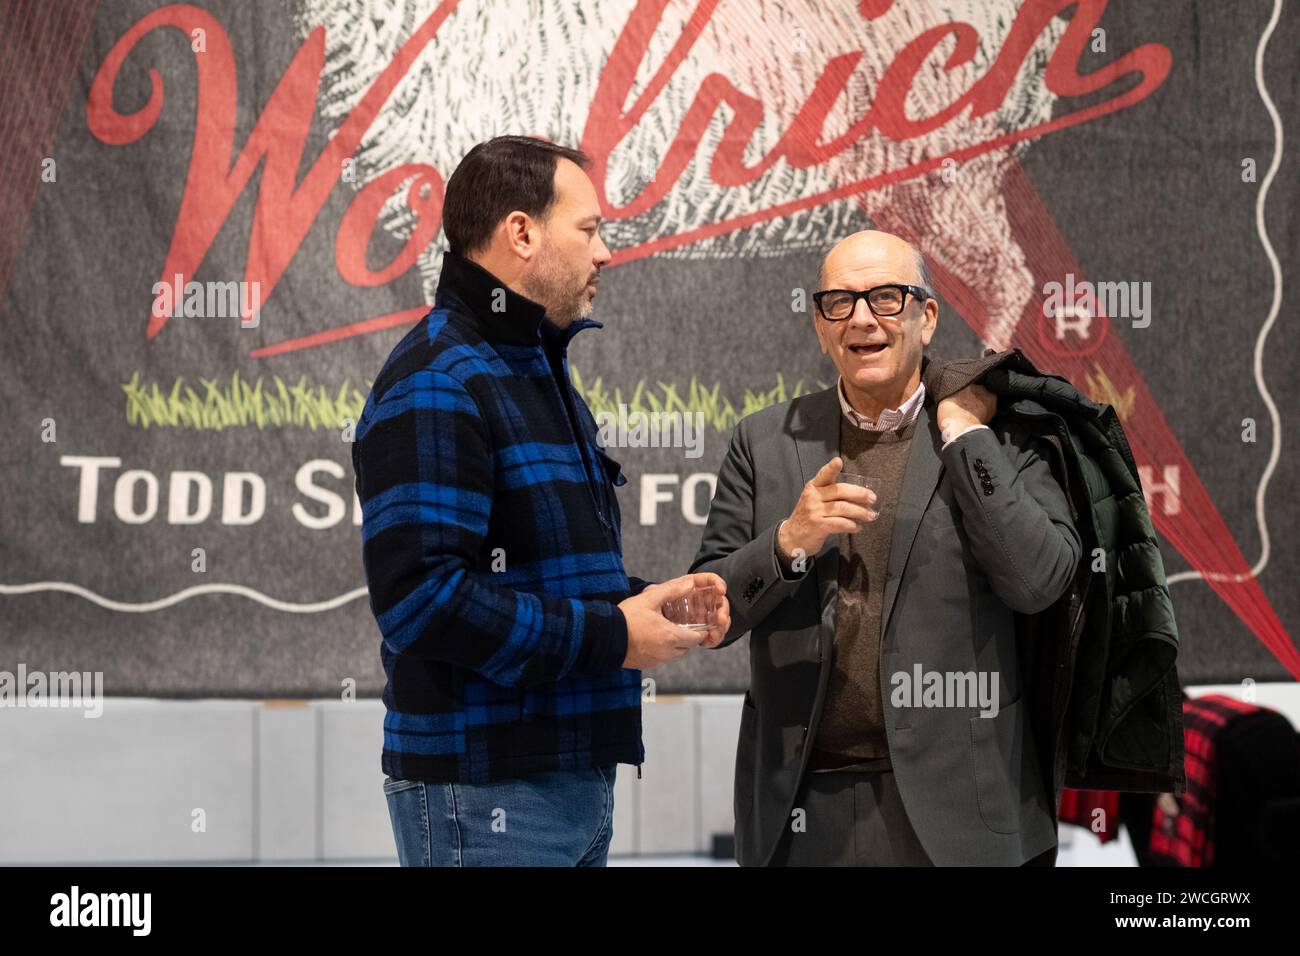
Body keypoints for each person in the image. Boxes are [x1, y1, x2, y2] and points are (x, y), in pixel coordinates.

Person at [353, 135, 728, 866]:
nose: (604, 252)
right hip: (485, 791)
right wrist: (613, 638)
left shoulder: (531, 369)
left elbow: (541, 578)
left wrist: (644, 604)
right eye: (588, 229)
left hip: (562, 781)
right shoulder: (440, 377)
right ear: (521, 233)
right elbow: (421, 601)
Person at [691, 229, 1080, 866]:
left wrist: (963, 436)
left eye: (888, 298)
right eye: (839, 303)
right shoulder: (763, 442)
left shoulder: (1001, 427)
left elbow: (1039, 581)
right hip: (801, 817)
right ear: (819, 326)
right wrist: (789, 542)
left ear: (927, 316)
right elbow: (711, 611)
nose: (863, 319)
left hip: (967, 818)